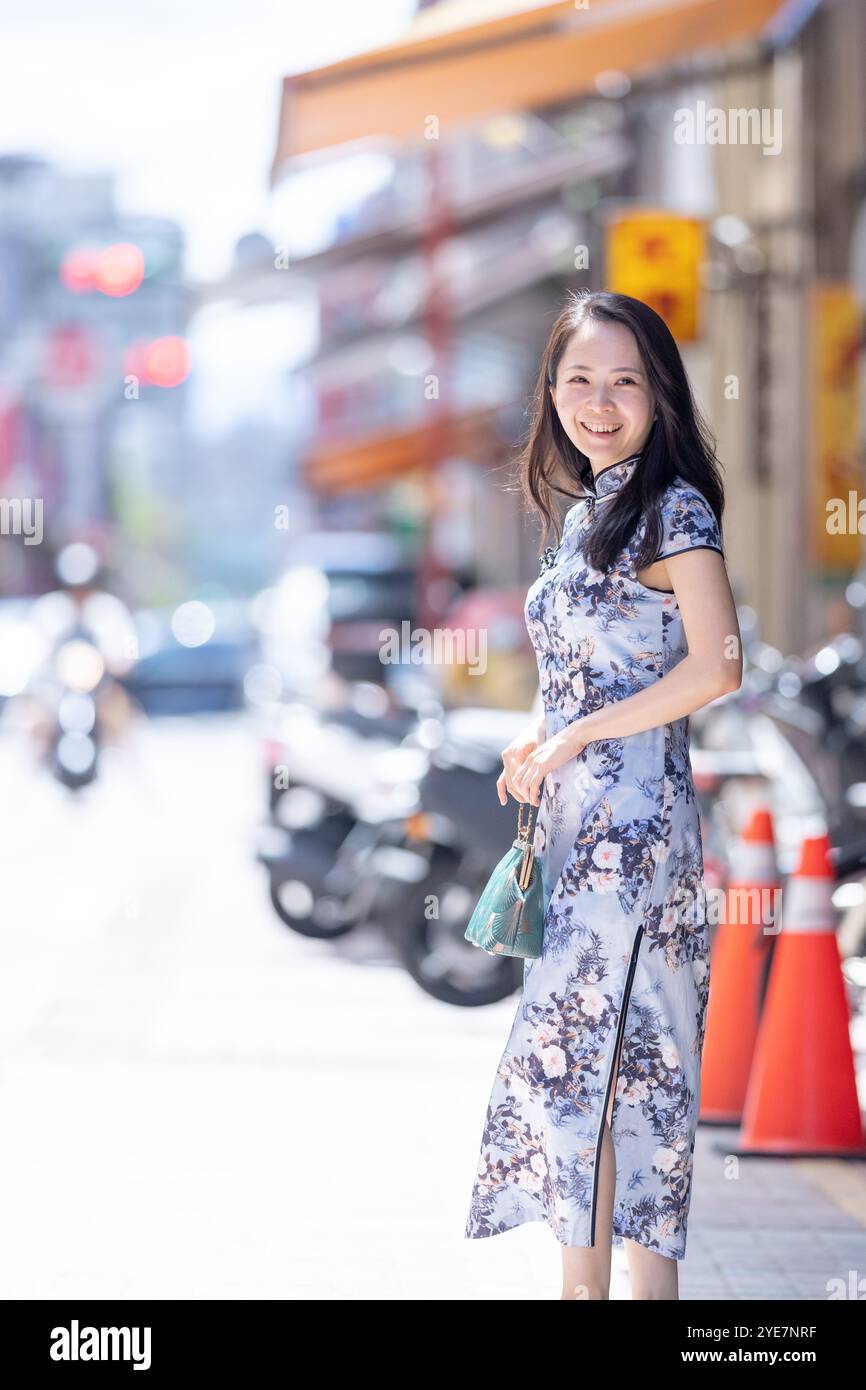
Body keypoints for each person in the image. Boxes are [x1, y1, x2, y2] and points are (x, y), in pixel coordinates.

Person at [463, 289, 742, 1300]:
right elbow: (599, 671)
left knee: (618, 1063)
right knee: (584, 1060)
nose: (598, 399)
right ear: (551, 393)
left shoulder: (672, 507)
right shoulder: (587, 514)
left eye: (623, 379)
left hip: (633, 844)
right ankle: (591, 1291)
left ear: (659, 395)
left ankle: (620, 1295)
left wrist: (576, 733)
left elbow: (716, 664)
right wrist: (540, 738)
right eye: (578, 378)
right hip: (577, 833)